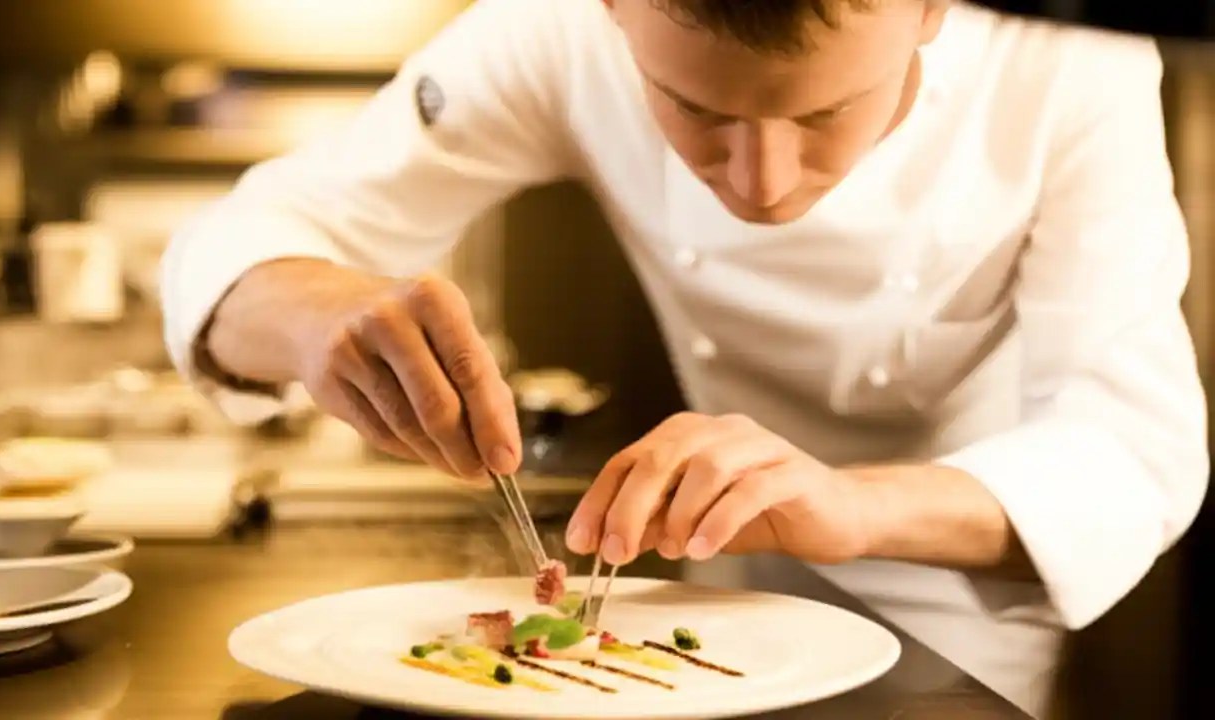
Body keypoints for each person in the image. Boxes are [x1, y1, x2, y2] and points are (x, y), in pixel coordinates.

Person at [159, 1, 1209, 715]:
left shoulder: (1065, 57)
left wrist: (848, 506)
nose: (758, 180)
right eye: (697, 109)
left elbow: (1130, 448)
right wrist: (310, 313)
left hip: (962, 608)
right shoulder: (550, 29)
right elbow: (244, 240)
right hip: (709, 615)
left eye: (823, 111)